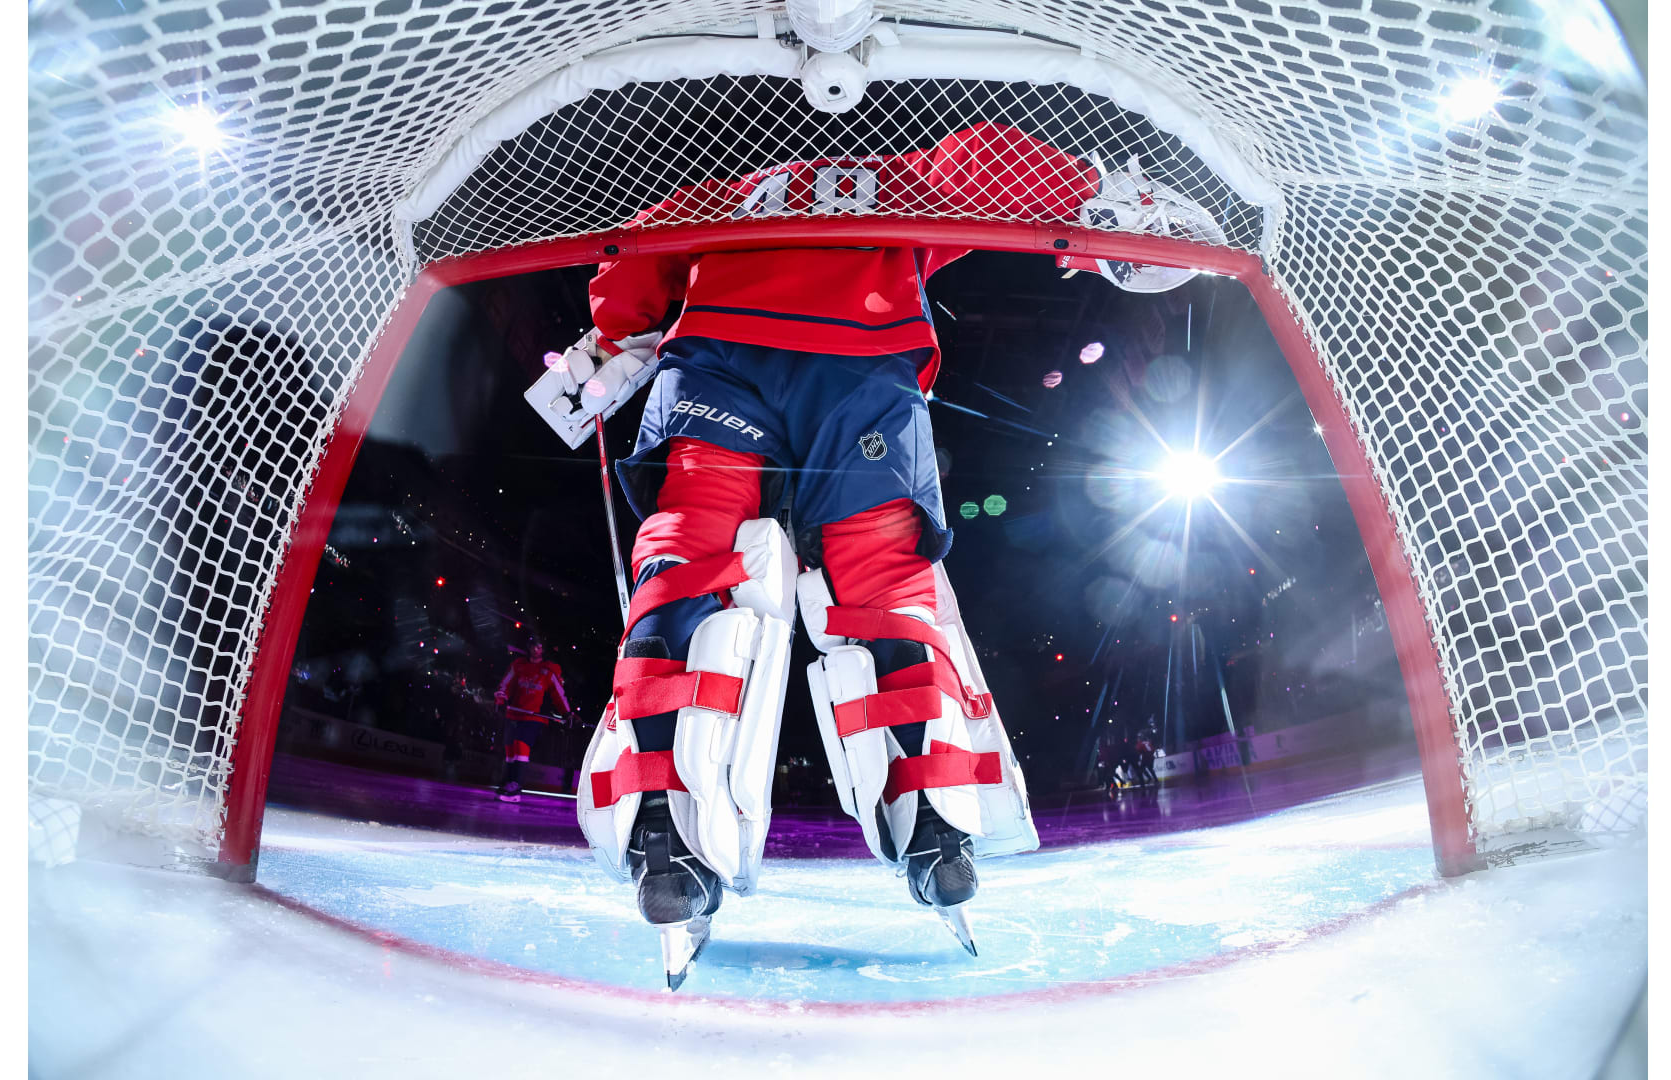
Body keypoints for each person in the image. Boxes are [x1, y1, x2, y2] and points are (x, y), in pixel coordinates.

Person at [563, 122, 1203, 985]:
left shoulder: (727, 194)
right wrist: (1098, 205)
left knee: (690, 561)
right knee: (880, 583)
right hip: (860, 367)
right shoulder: (901, 176)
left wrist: (618, 337)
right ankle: (933, 825)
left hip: (719, 363)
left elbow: (632, 262)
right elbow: (989, 165)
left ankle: (661, 831)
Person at [493, 636, 575, 802]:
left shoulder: (548, 670)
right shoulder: (518, 665)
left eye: (539, 647)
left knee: (521, 746)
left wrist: (567, 713)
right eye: (533, 646)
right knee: (510, 750)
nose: (535, 649)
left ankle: (516, 786)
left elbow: (558, 694)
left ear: (543, 650)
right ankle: (508, 782)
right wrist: (501, 700)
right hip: (513, 714)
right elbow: (504, 685)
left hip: (533, 717)